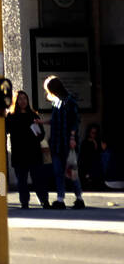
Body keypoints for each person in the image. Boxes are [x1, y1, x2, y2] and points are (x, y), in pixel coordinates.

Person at [44, 75, 85, 210]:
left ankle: (78, 198)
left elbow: (75, 121)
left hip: (66, 142)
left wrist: (72, 138)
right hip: (57, 142)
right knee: (59, 171)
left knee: (71, 171)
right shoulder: (56, 102)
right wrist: (43, 122)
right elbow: (57, 121)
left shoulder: (69, 101)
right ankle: (61, 198)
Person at [5, 90, 49, 210]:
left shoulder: (33, 115)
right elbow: (6, 130)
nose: (23, 101)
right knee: (22, 180)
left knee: (38, 178)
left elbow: (41, 135)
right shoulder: (11, 116)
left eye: (25, 98)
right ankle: (24, 202)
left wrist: (37, 132)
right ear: (16, 101)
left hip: (33, 151)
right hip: (19, 152)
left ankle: (44, 201)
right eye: (20, 99)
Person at [79, 124, 110, 191]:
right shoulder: (85, 142)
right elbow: (84, 156)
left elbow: (102, 152)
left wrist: (96, 144)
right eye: (92, 133)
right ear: (89, 133)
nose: (93, 135)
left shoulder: (98, 141)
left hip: (97, 166)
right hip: (87, 165)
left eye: (95, 133)